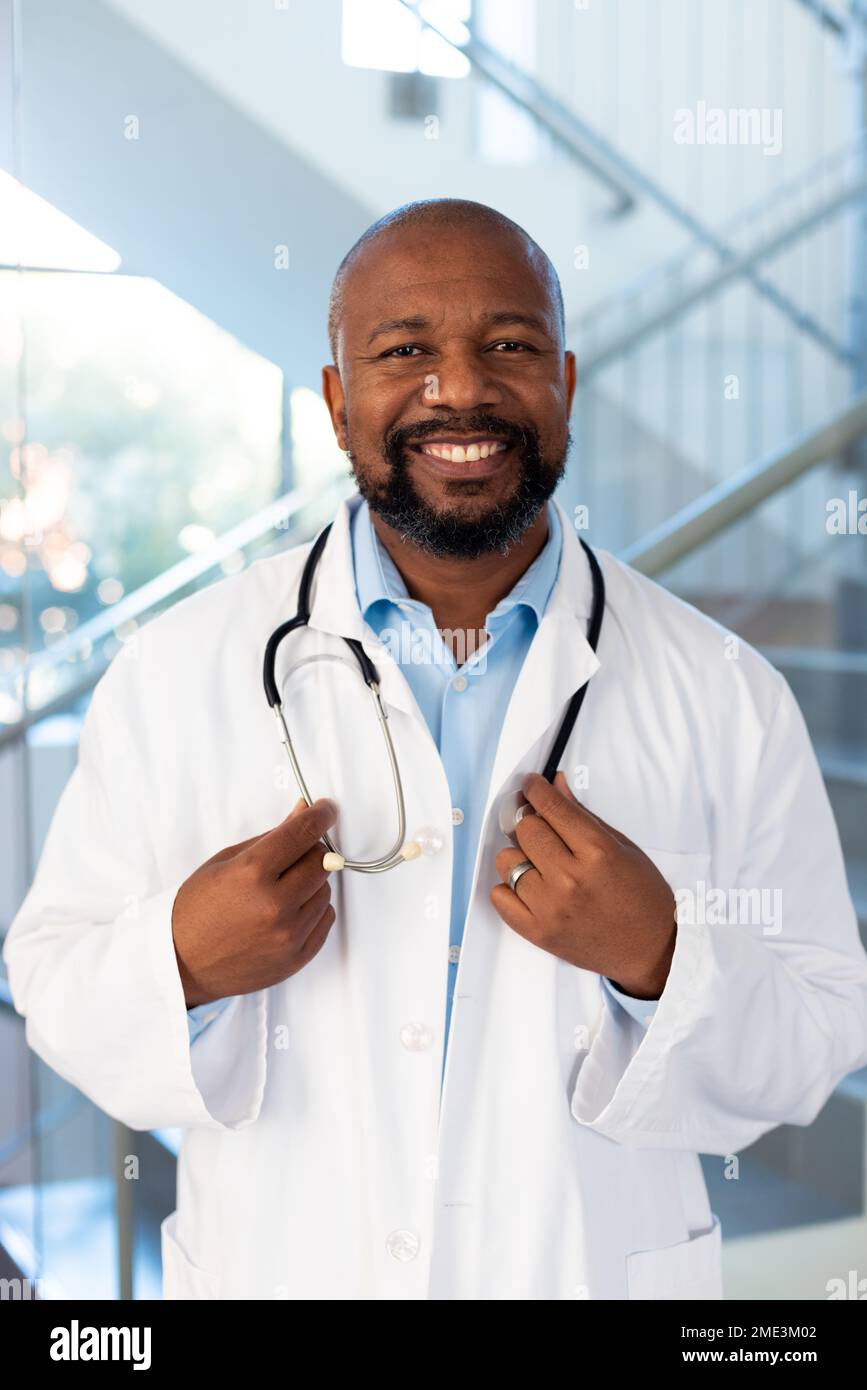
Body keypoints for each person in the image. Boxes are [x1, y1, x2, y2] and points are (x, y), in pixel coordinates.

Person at [5, 199, 867, 1301]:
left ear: (564, 384)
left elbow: (820, 1030)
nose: (458, 389)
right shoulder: (178, 671)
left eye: (507, 346)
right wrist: (183, 959)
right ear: (336, 400)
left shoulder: (728, 691)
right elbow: (54, 983)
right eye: (404, 349)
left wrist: (661, 958)